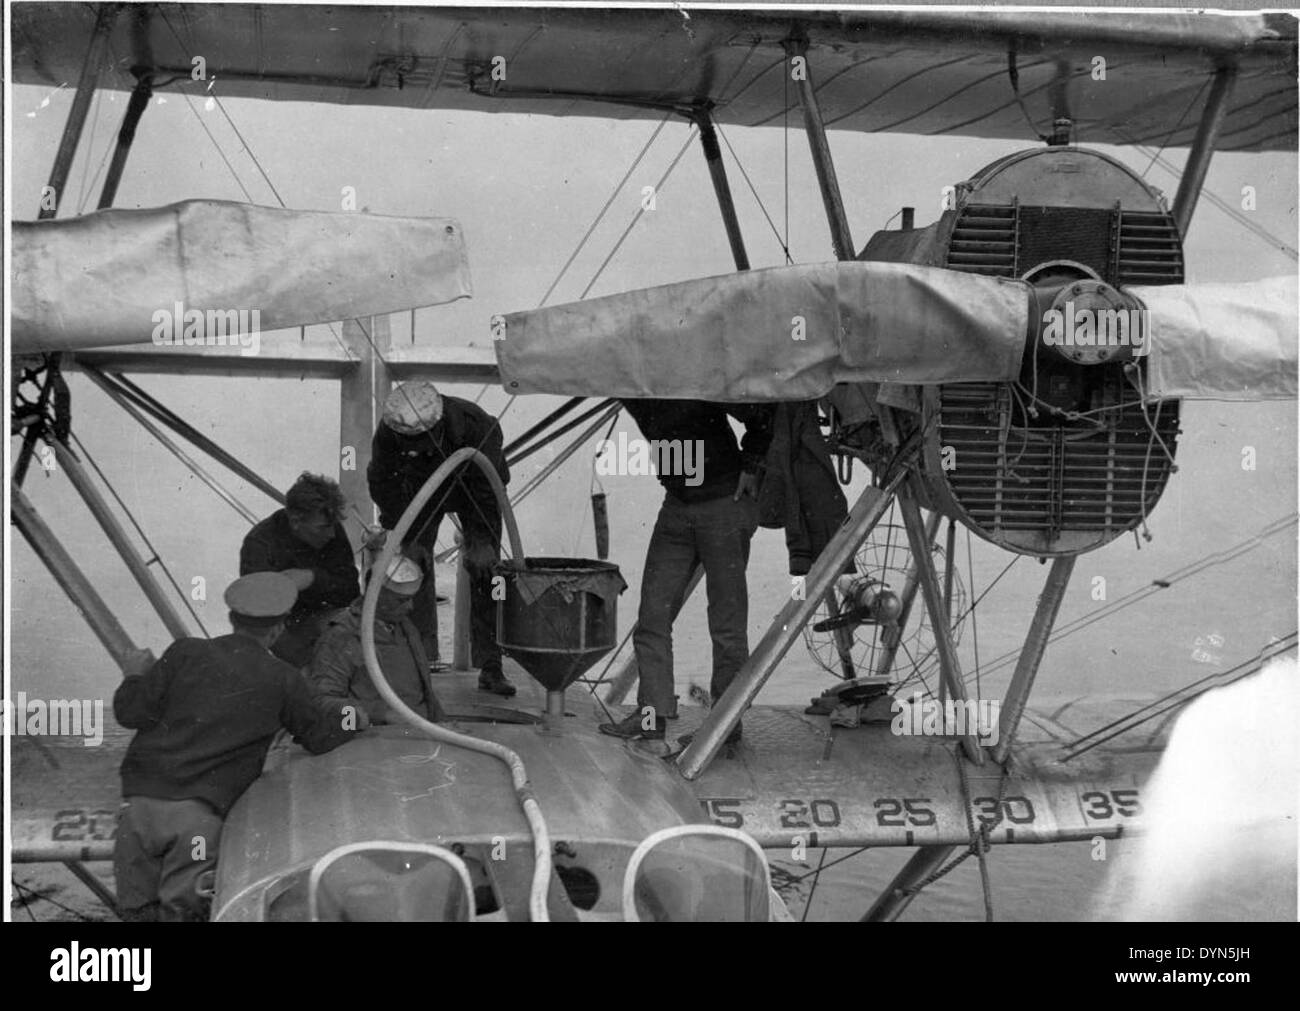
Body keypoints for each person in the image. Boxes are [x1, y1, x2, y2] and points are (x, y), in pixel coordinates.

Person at [112, 573, 363, 922]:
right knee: (186, 916)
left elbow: (131, 712)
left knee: (134, 912)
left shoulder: (183, 652)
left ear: (232, 618)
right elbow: (321, 736)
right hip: (197, 823)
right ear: (278, 630)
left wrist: (134, 675)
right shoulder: (282, 678)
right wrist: (352, 716)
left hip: (136, 811)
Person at [599, 399, 775, 742]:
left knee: (727, 625)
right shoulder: (634, 388)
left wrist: (752, 465)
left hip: (725, 504)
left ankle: (726, 726)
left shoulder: (694, 372)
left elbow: (763, 415)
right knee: (652, 616)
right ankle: (651, 717)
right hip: (677, 506)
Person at [367, 381, 515, 697]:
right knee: (412, 569)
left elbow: (489, 489)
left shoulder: (474, 424)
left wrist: (482, 540)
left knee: (487, 573)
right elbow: (381, 481)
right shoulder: (389, 431)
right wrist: (400, 530)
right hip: (422, 492)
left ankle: (490, 666)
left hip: (474, 488)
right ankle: (420, 661)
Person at [307, 554, 445, 725]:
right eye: (401, 600)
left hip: (419, 731)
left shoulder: (405, 627)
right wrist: (377, 715)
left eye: (411, 599)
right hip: (375, 739)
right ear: (376, 593)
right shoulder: (342, 635)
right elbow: (320, 702)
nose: (410, 607)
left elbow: (425, 692)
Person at [240, 473, 359, 667]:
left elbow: (351, 590)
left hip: (327, 618)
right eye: (322, 528)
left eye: (332, 526)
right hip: (282, 629)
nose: (331, 534)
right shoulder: (260, 544)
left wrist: (311, 578)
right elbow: (257, 617)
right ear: (296, 521)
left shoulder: (332, 530)